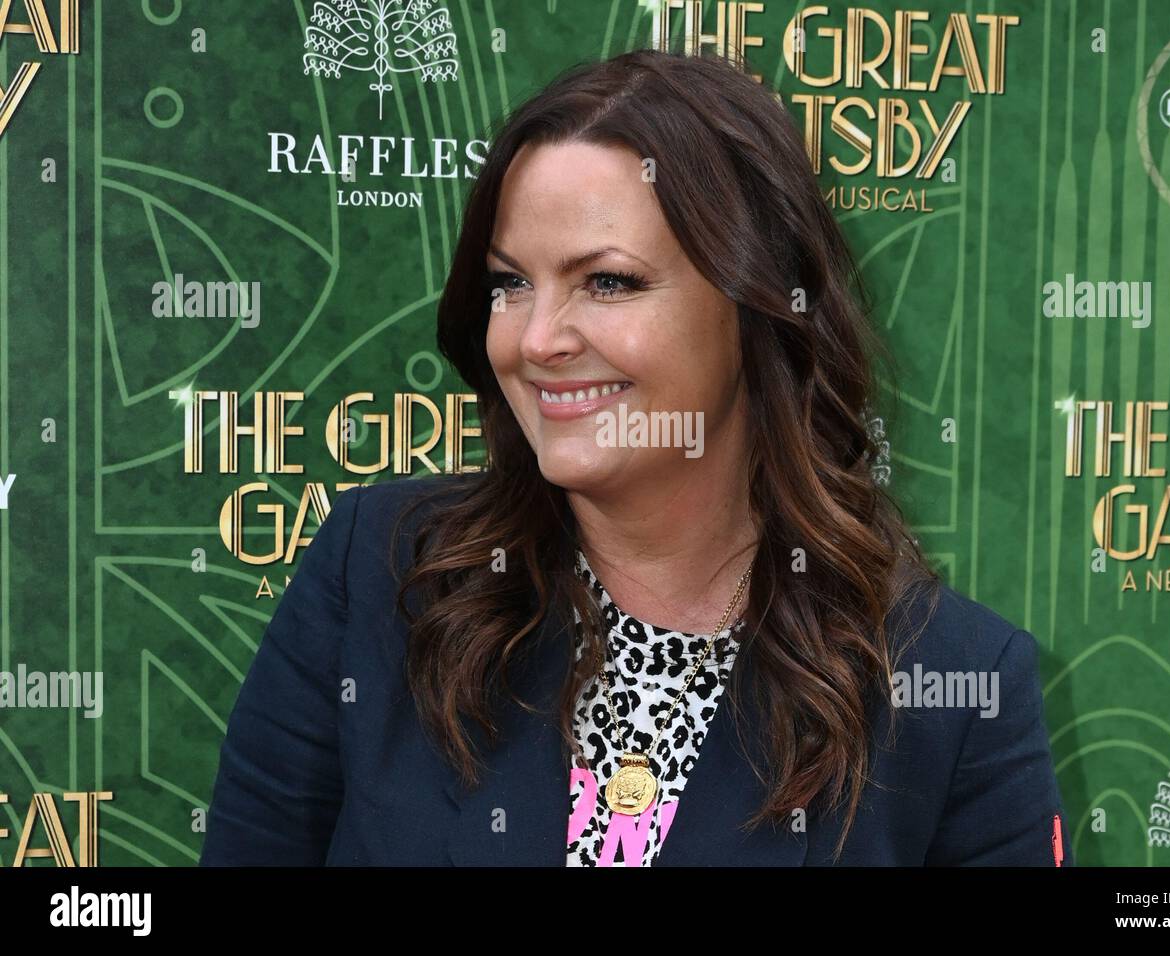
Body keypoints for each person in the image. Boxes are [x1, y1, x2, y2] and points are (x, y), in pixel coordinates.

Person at [200, 48, 1072, 867]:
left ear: (756, 303)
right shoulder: (384, 569)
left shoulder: (950, 687)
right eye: (510, 284)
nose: (538, 340)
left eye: (607, 282)